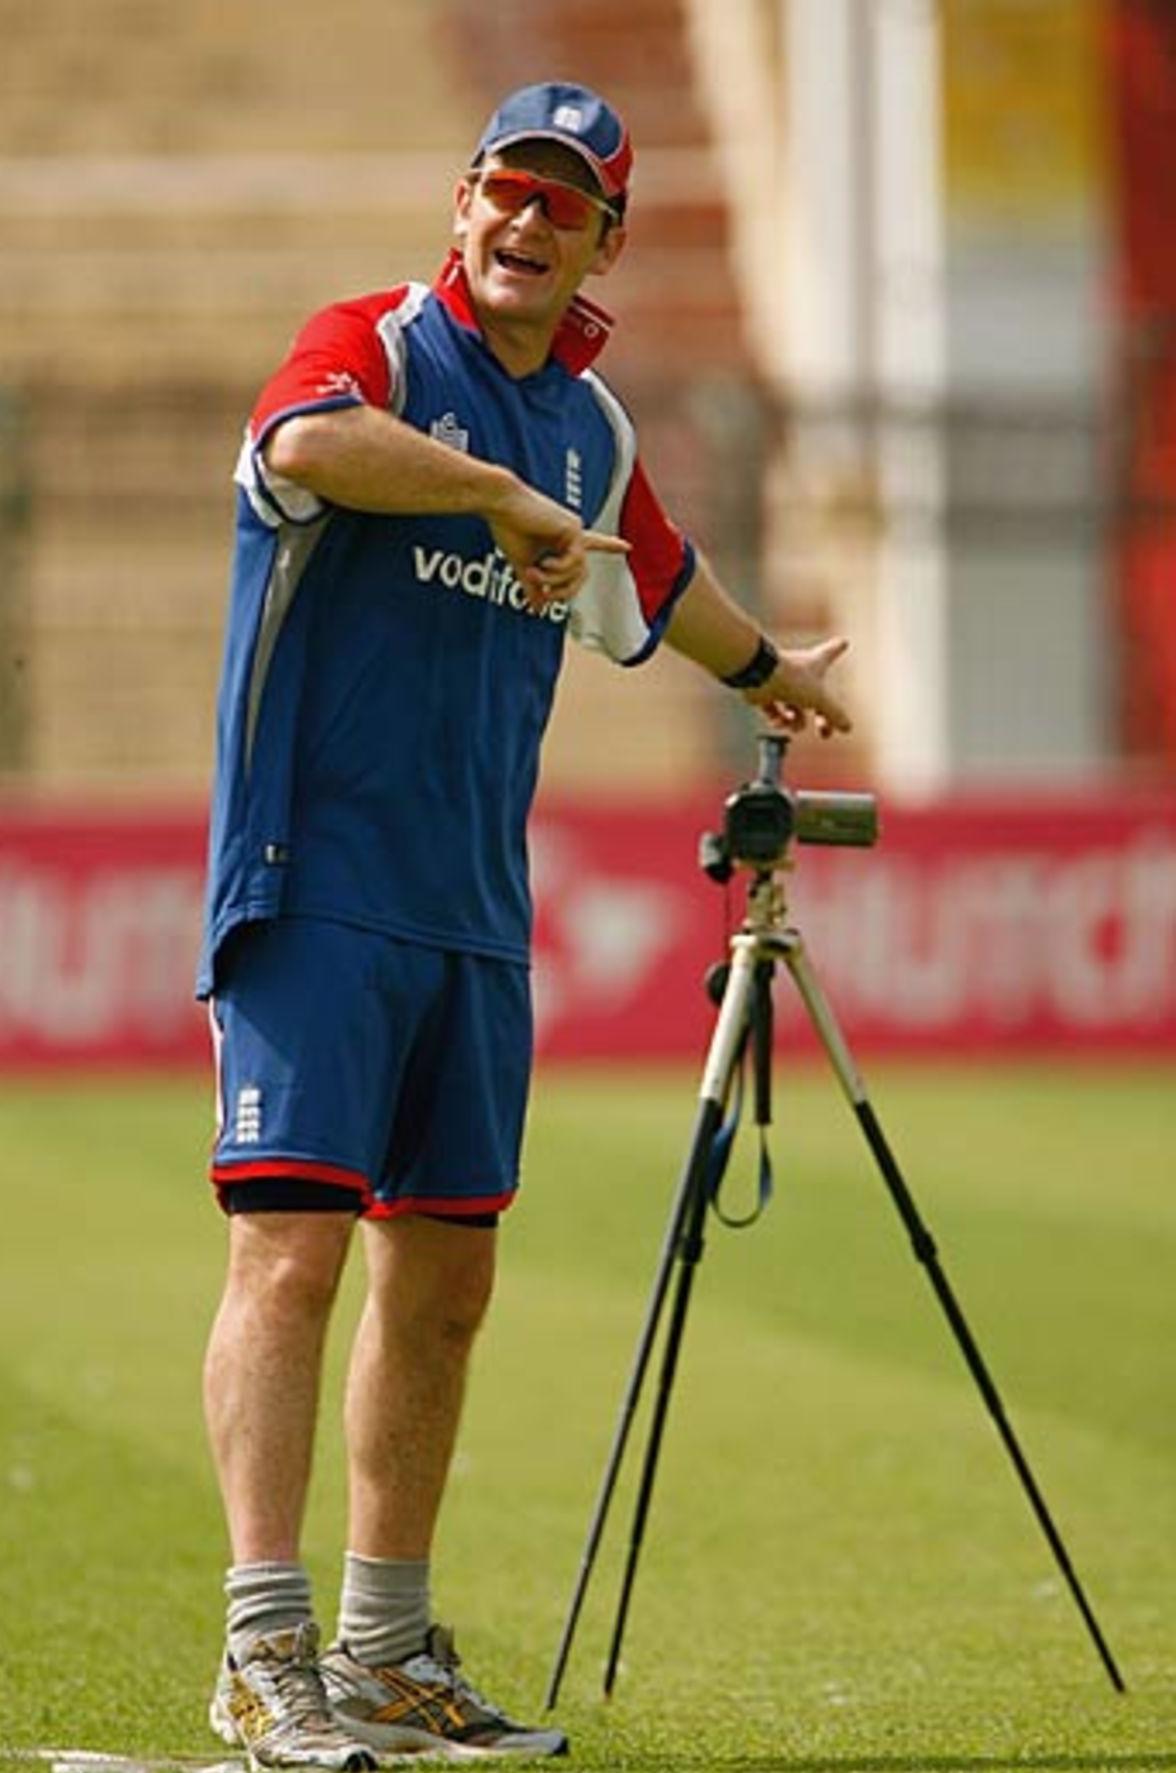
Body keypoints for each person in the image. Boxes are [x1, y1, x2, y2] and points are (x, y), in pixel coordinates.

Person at [197, 79, 852, 1771]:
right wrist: (488, 493)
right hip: (312, 880)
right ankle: (264, 1652)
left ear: (605, 242)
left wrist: (772, 669)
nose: (526, 223)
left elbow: (656, 569)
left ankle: (385, 1649)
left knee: (448, 1278)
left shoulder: (594, 427)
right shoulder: (379, 348)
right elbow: (296, 447)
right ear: (463, 198)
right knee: (293, 1254)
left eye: (563, 206)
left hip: (475, 917)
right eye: (506, 188)